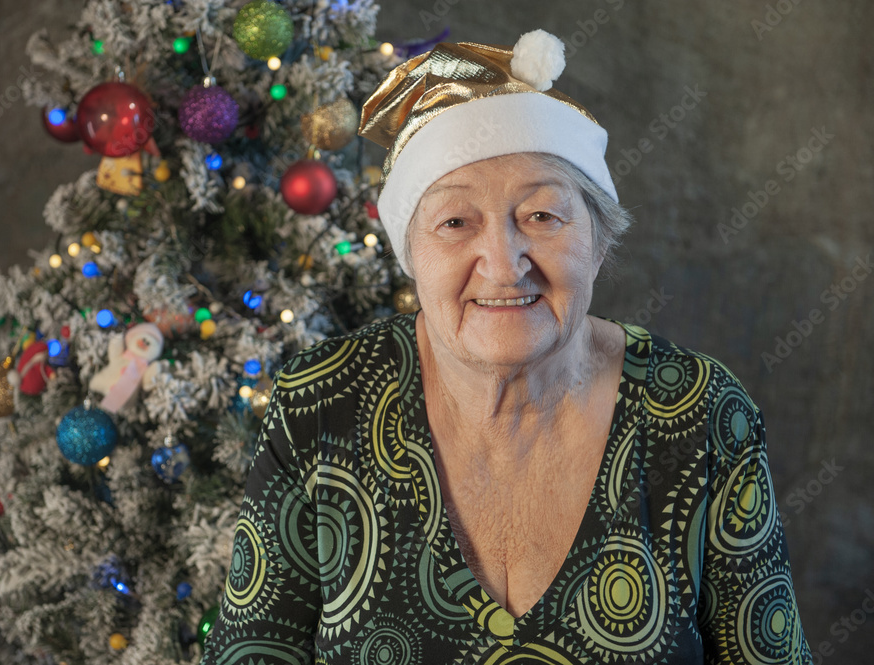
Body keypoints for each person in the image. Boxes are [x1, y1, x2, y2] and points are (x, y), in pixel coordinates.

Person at [201, 29, 813, 664]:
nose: (502, 263)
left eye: (542, 216)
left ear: (599, 242)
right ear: (411, 254)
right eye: (455, 222)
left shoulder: (702, 412)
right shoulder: (322, 403)